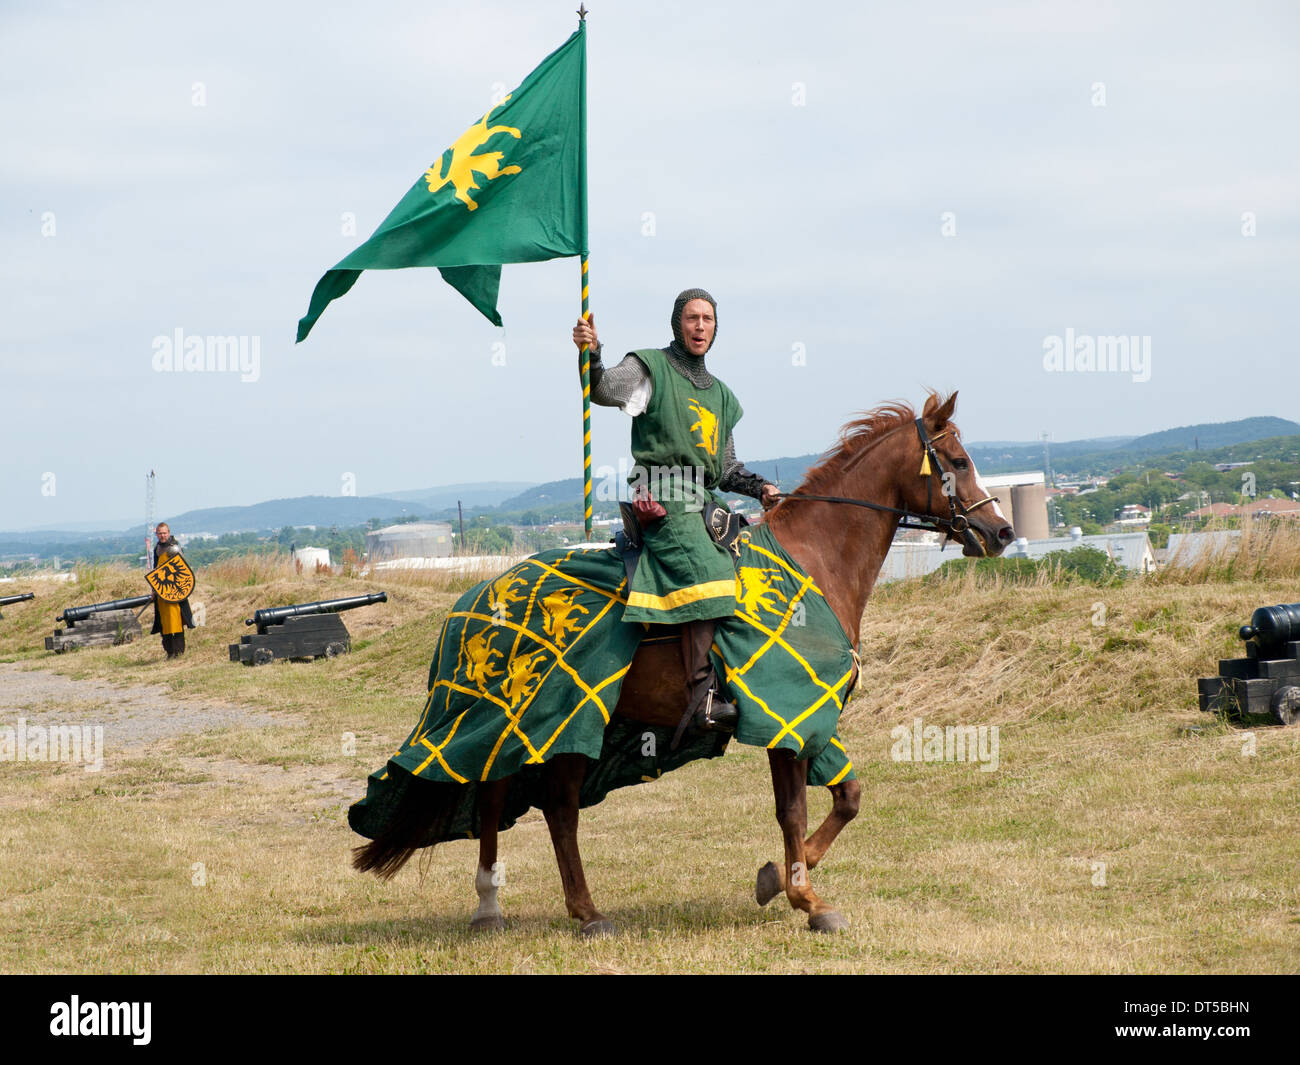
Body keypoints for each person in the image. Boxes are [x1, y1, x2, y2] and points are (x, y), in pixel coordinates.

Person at [572, 288, 779, 736]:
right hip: (662, 494)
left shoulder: (722, 396)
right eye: (692, 318)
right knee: (706, 567)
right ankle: (702, 692)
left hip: (706, 498)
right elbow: (604, 390)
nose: (700, 326)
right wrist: (593, 353)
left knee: (762, 558)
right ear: (677, 324)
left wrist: (760, 488)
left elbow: (725, 468)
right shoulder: (650, 367)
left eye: (707, 319)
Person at [150, 522, 194, 658]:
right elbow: (156, 571)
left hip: (174, 592)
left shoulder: (173, 548)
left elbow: (181, 569)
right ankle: (169, 652)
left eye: (164, 533)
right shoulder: (157, 548)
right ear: (156, 534)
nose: (162, 536)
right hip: (162, 591)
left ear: (168, 533)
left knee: (176, 622)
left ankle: (178, 652)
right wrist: (153, 589)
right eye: (160, 533)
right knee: (164, 623)